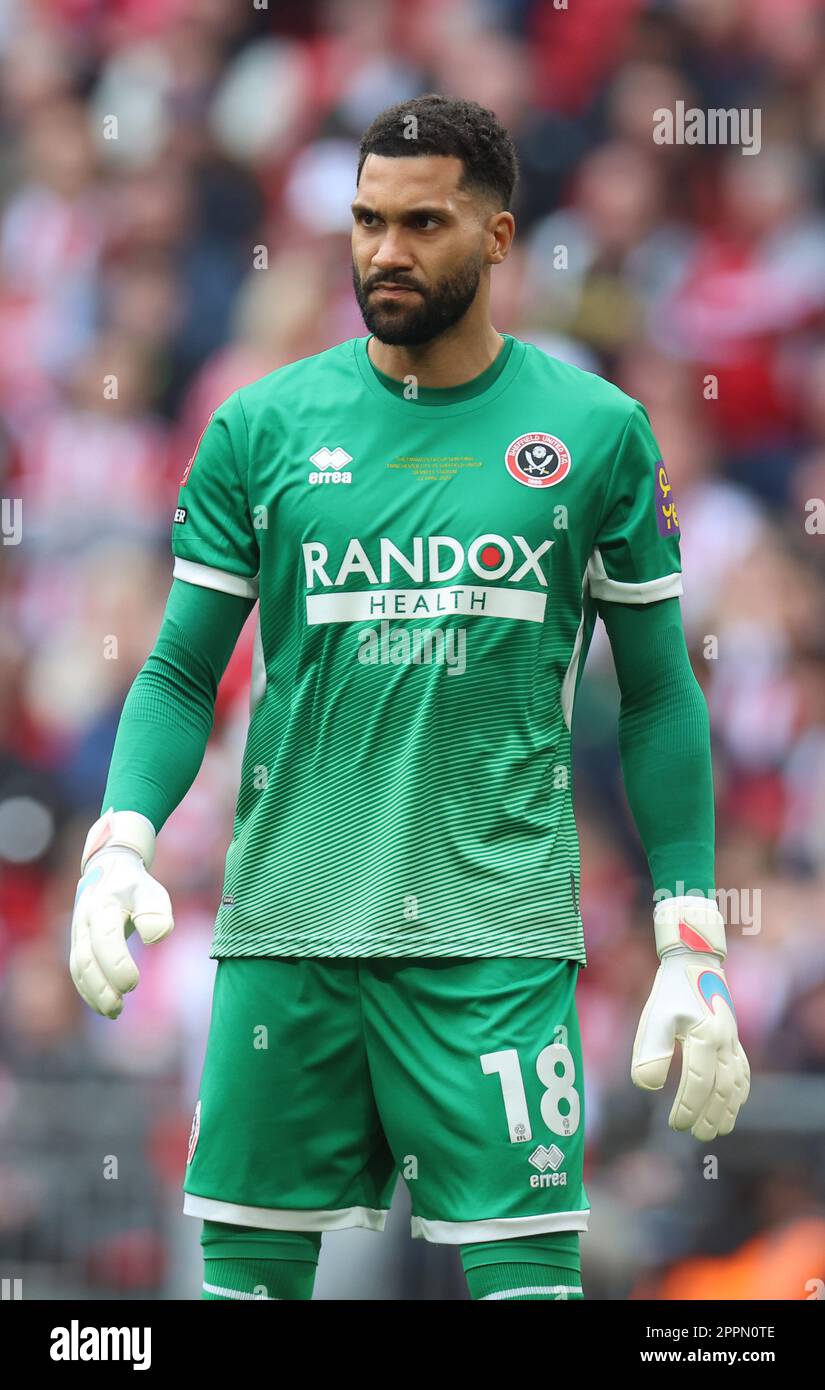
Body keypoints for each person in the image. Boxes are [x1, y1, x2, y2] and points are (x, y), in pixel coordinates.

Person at [69, 94, 750, 1302]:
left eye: (423, 222)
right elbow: (178, 670)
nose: (385, 250)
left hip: (494, 941)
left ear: (494, 239)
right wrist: (120, 839)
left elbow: (658, 697)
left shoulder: (596, 433)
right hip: (288, 934)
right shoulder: (260, 427)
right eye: (367, 221)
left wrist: (692, 933)